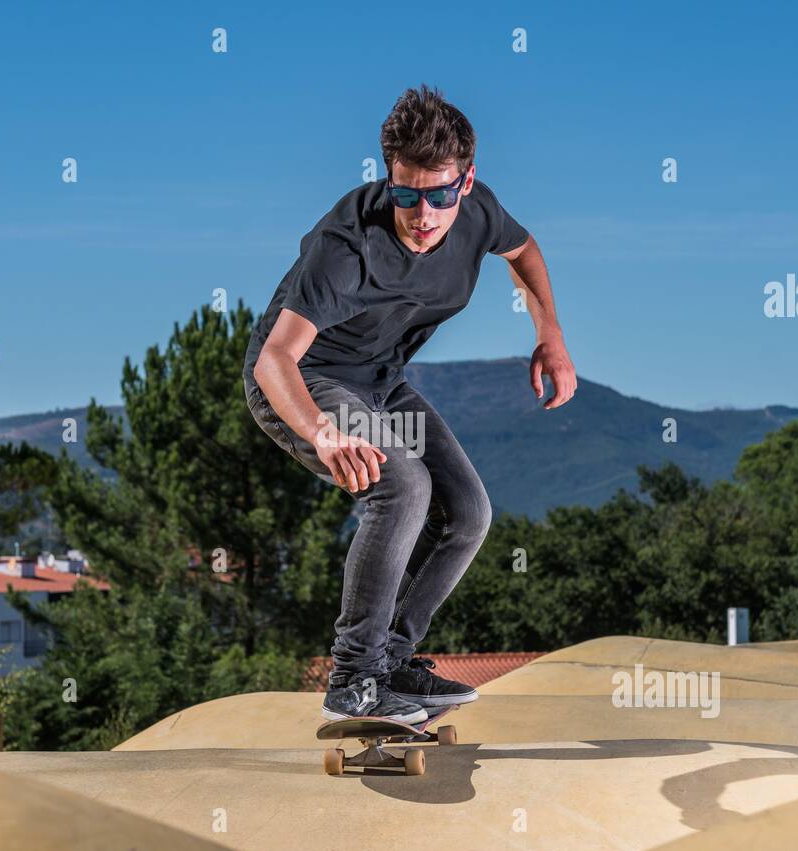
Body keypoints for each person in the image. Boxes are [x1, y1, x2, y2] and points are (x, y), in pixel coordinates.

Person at [243, 85, 577, 722]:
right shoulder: (344, 248)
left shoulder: (479, 214)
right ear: (387, 178)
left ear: (467, 182)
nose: (423, 215)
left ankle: (392, 659)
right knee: (401, 486)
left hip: (378, 381)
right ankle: (354, 680)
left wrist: (550, 334)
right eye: (405, 194)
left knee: (468, 512)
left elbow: (524, 250)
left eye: (439, 195)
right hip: (303, 383)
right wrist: (321, 432)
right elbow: (274, 360)